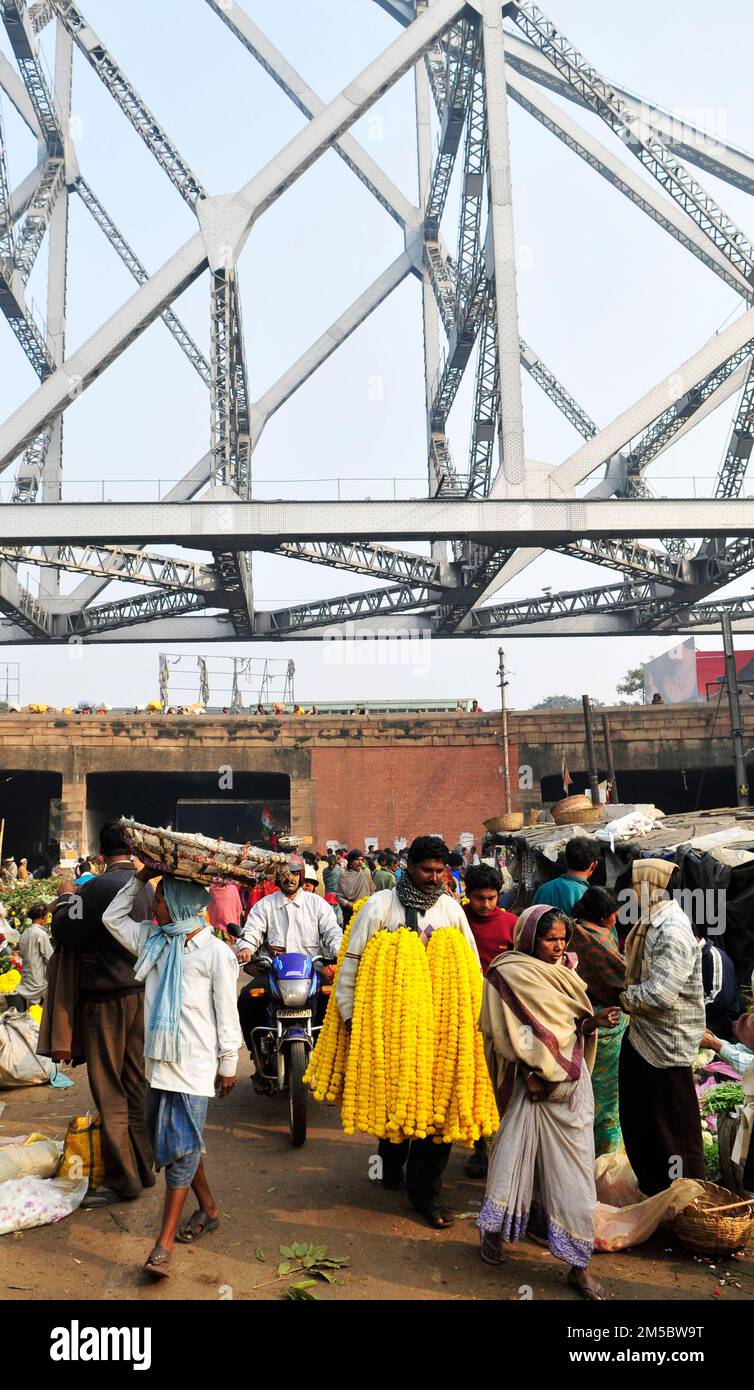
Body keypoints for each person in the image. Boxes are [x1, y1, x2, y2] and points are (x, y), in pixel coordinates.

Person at [102, 867, 242, 1279]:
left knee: (180, 1151)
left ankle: (162, 1246)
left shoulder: (216, 953)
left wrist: (229, 1061)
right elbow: (111, 918)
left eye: (161, 898)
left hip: (195, 1068)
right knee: (178, 1144)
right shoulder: (153, 941)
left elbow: (225, 1012)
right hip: (157, 1064)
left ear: (180, 902)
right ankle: (210, 1209)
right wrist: (142, 879)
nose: (155, 905)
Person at [336, 835, 480, 1230]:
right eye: (426, 870)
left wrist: (474, 1017)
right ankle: (390, 1165)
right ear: (409, 868)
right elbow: (352, 963)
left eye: (440, 871)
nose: (434, 878)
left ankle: (426, 1195)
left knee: (436, 1114)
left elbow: (471, 967)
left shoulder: (452, 910)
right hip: (392, 1031)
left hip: (441, 1032)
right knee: (396, 1105)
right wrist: (351, 1017)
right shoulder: (380, 907)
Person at [478, 904, 620, 1300]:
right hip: (530, 1087)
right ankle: (493, 1234)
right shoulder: (506, 973)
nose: (558, 947)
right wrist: (529, 1074)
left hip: (571, 1088)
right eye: (549, 939)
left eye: (562, 939)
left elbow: (573, 1028)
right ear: (528, 938)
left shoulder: (567, 974)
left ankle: (579, 1266)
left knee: (575, 1176)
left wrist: (595, 1021)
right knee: (511, 1159)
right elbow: (498, 1033)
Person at [50, 821, 156, 1209]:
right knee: (133, 1083)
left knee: (109, 1089)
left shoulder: (97, 888)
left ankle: (123, 1180)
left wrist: (64, 897)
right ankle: (144, 1168)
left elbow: (65, 931)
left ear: (101, 851)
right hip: (138, 994)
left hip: (106, 999)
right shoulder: (145, 887)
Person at [618, 859, 705, 1197]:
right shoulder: (650, 923)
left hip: (667, 1045)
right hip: (644, 1037)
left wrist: (624, 996)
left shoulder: (671, 929)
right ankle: (655, 1192)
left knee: (674, 1133)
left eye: (630, 889)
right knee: (641, 1121)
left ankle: (687, 1201)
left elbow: (660, 994)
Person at [235, 858, 341, 1084]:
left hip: (311, 972)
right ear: (277, 877)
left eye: (294, 873)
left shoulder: (317, 904)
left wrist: (339, 949)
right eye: (284, 873)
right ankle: (257, 1056)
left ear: (301, 876)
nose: (289, 877)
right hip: (273, 972)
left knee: (335, 999)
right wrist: (246, 947)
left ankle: (330, 1057)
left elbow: (332, 931)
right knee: (246, 998)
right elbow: (252, 931)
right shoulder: (265, 905)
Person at [570, 885, 627, 1155]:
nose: (617, 919)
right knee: (606, 1100)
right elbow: (623, 980)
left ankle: (580, 1153)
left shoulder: (572, 930)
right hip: (605, 1026)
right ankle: (603, 1157)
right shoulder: (600, 938)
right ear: (606, 916)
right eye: (615, 914)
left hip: (578, 1022)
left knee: (582, 1095)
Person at [463, 864, 517, 972]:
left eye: (491, 898)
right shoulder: (458, 917)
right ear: (467, 894)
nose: (486, 905)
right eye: (479, 898)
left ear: (498, 895)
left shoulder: (512, 923)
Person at [4, 901, 53, 1011]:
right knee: (39, 1011)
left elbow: (22, 953)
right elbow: (50, 957)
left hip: (26, 977)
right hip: (38, 980)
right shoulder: (41, 934)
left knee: (29, 1011)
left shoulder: (26, 932)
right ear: (42, 917)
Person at [695, 930, 742, 1041]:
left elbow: (719, 1001)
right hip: (702, 1014)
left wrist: (687, 1012)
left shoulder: (713, 957)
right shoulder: (689, 955)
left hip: (721, 1021)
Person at [531, 837, 597, 913]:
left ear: (565, 860)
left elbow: (532, 919)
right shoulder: (590, 897)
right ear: (594, 865)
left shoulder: (543, 890)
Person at [336, 850, 374, 919]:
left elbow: (372, 891)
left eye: (361, 860)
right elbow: (339, 896)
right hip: (350, 913)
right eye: (357, 860)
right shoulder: (343, 876)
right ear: (350, 861)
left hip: (366, 911)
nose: (360, 862)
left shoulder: (365, 873)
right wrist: (347, 903)